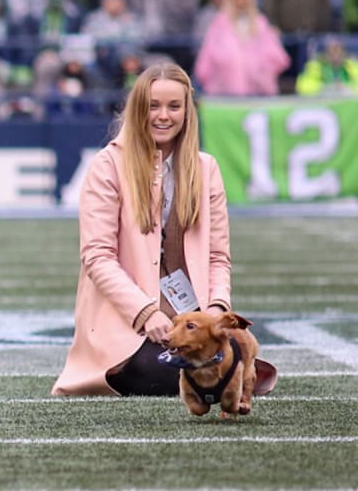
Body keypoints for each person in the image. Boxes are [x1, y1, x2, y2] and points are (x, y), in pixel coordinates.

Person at [52, 63, 277, 396]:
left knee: (241, 359)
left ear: (188, 112)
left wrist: (216, 311)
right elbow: (97, 257)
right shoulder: (107, 165)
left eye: (174, 106)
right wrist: (146, 314)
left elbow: (217, 257)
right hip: (128, 324)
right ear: (138, 109)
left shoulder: (206, 168)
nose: (163, 116)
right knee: (159, 368)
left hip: (187, 322)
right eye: (153, 106)